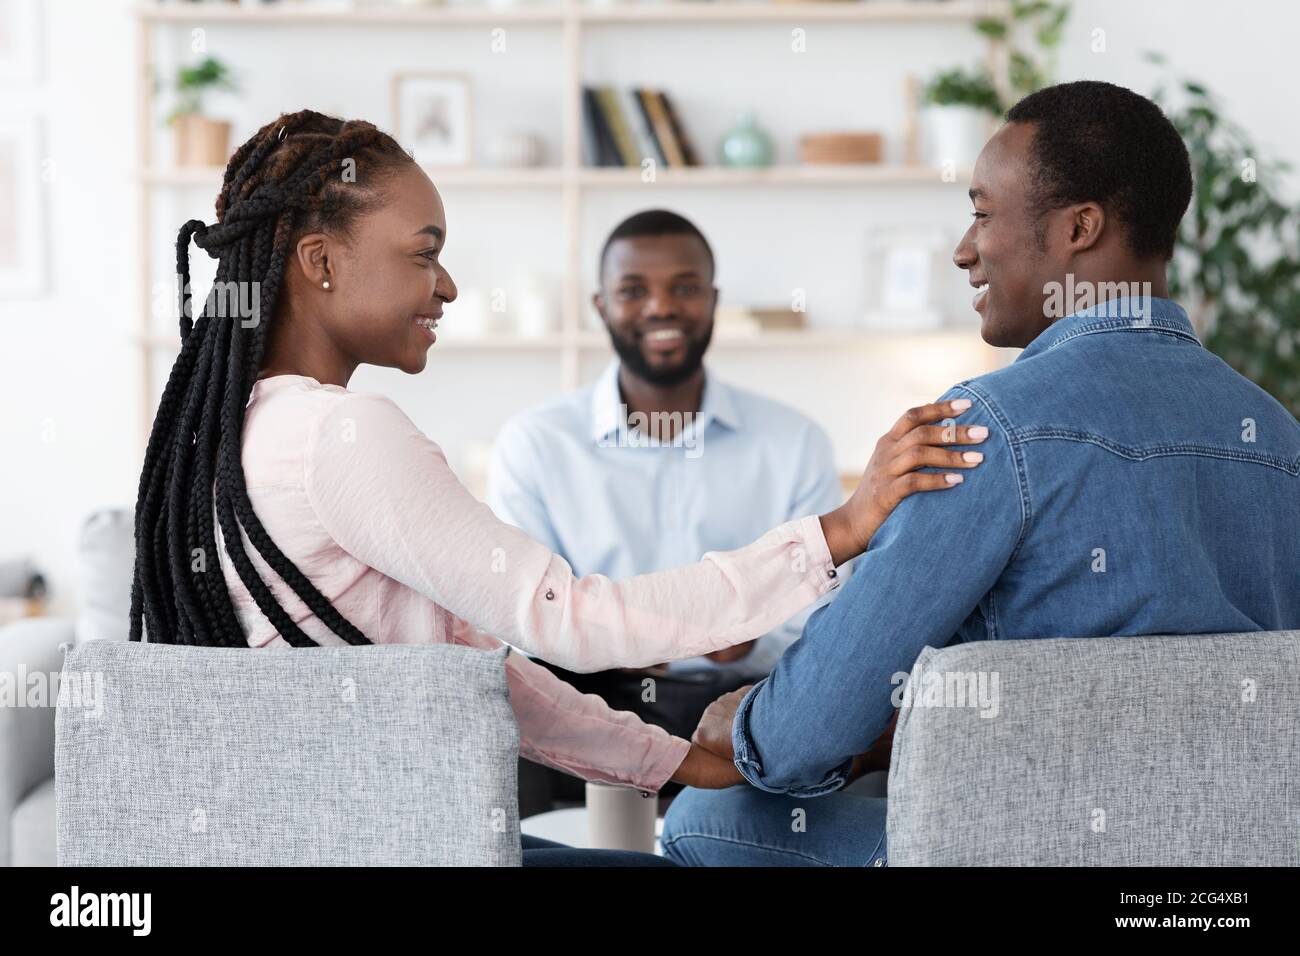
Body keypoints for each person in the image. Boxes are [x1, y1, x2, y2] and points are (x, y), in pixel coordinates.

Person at [128, 110, 988, 865]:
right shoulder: (342, 433)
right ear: (320, 261)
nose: (448, 285)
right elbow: (567, 618)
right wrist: (840, 527)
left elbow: (478, 671)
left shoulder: (241, 428)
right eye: (425, 253)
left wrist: (677, 761)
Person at [662, 80, 1300, 866]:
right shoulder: (1278, 437)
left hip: (1019, 854)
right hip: (1218, 887)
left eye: (983, 212)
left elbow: (805, 734)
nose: (964, 249)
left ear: (1079, 227)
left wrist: (751, 724)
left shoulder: (988, 429)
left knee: (703, 817)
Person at [486, 210, 847, 807]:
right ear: (601, 306)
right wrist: (625, 640)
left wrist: (748, 641)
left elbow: (829, 616)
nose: (661, 307)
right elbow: (524, 617)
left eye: (684, 287)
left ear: (712, 300)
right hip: (591, 704)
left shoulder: (793, 442)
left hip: (750, 706)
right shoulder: (536, 444)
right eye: (634, 291)